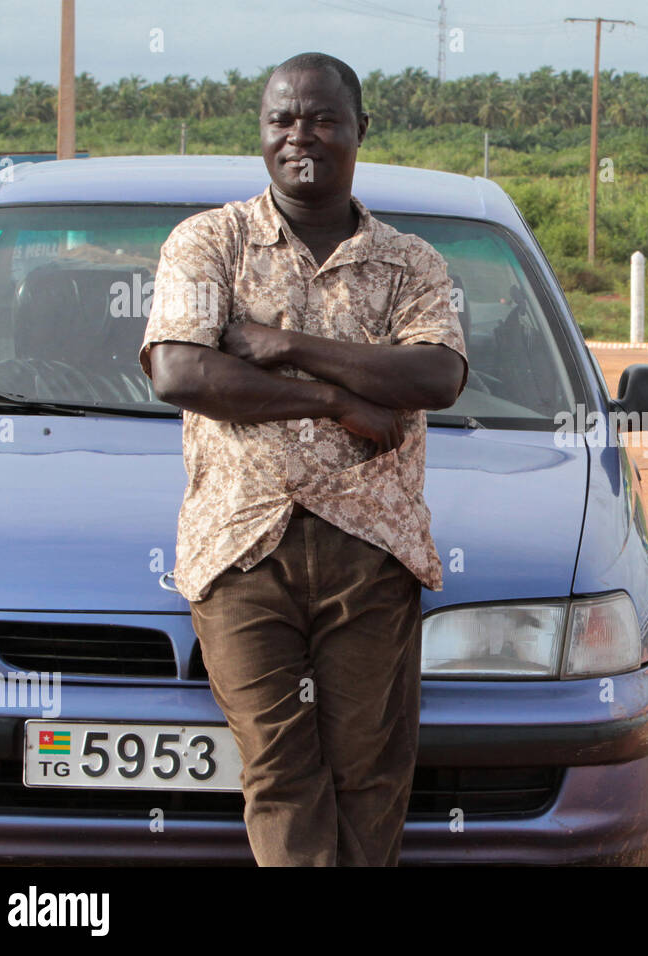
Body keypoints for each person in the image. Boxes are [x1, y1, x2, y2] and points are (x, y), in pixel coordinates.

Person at [139, 52, 467, 865]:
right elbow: (181, 372)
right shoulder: (209, 241)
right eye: (281, 119)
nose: (300, 136)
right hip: (240, 546)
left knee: (368, 772)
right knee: (281, 768)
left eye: (321, 117)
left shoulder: (412, 263)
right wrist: (338, 400)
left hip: (371, 544)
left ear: (360, 129)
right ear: (262, 133)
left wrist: (282, 346)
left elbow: (436, 375)